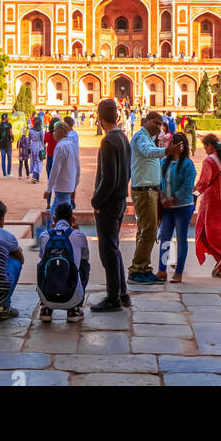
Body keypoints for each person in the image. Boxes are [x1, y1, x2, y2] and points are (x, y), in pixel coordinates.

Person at [90, 97, 132, 311]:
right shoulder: (123, 137)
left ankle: (113, 298)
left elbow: (109, 178)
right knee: (114, 248)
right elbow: (126, 174)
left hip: (108, 203)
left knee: (107, 250)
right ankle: (122, 293)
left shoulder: (108, 141)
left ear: (99, 117)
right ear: (117, 115)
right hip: (120, 200)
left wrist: (96, 201)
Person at [128, 110, 170, 283]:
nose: (159, 128)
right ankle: (137, 269)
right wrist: (167, 151)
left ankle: (143, 268)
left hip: (148, 189)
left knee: (145, 230)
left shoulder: (148, 138)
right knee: (150, 231)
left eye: (160, 125)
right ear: (146, 121)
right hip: (144, 190)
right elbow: (147, 152)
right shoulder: (140, 138)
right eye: (156, 123)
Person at [36, 201, 90, 321]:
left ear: (54, 219)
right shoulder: (78, 235)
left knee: (42, 264)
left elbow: (41, 257)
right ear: (72, 219)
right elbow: (85, 257)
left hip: (47, 296)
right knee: (84, 264)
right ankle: (74, 309)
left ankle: (45, 308)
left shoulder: (44, 235)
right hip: (71, 296)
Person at [193, 135, 221, 279]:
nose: (205, 150)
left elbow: (204, 181)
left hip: (212, 201)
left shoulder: (209, 161)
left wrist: (192, 192)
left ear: (210, 146)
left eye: (205, 146)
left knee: (204, 232)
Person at [155, 133, 196, 282]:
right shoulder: (164, 162)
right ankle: (162, 269)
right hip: (167, 207)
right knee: (165, 237)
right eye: (172, 143)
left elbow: (188, 185)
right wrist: (162, 197)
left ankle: (178, 271)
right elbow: (159, 182)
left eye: (178, 144)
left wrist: (173, 199)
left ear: (183, 146)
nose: (174, 146)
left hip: (183, 206)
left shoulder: (187, 164)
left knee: (181, 238)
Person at [44, 120, 81, 223]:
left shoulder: (60, 147)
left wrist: (48, 189)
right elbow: (78, 167)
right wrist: (74, 185)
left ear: (61, 132)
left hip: (61, 187)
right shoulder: (72, 145)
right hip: (69, 186)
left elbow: (55, 170)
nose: (53, 133)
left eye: (55, 131)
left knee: (57, 215)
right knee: (64, 213)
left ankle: (57, 235)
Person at [63, 114, 80, 208]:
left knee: (70, 182)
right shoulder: (73, 134)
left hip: (71, 161)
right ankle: (71, 201)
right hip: (72, 161)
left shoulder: (70, 135)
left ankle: (71, 202)